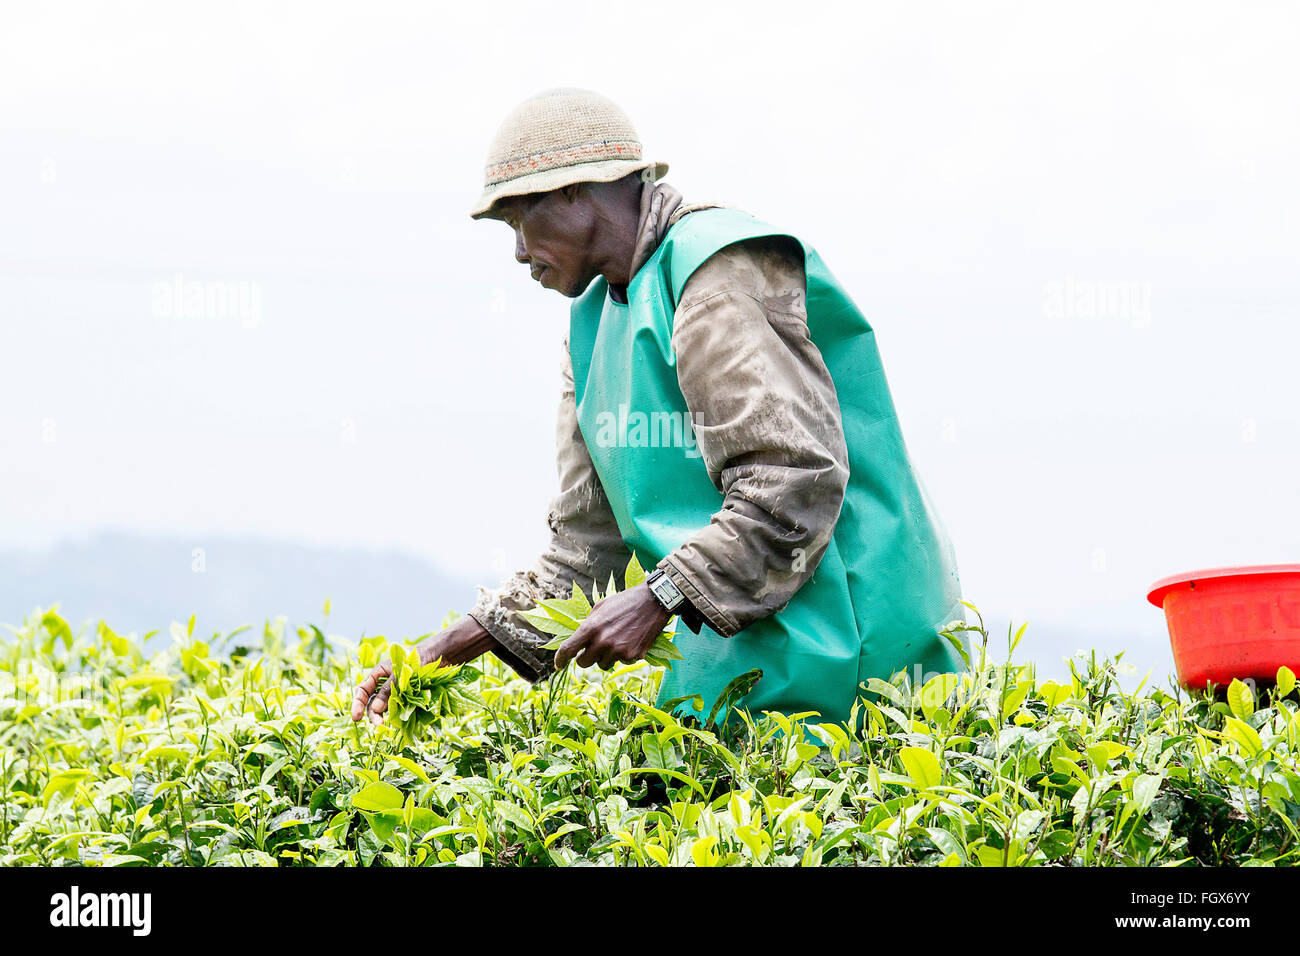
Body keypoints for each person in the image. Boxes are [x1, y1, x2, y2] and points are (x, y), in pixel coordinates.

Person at [351, 87, 966, 729]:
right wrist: (440, 654)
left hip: (862, 661)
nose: (519, 253)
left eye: (517, 221)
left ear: (575, 192)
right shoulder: (592, 326)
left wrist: (660, 596)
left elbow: (791, 482)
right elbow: (586, 551)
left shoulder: (711, 275)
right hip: (743, 678)